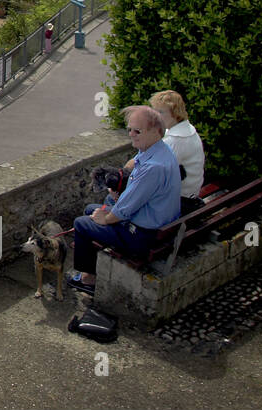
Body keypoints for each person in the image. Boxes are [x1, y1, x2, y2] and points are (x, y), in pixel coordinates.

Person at [71, 106, 180, 293]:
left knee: (81, 223)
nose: (131, 134)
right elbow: (135, 193)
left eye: (137, 131)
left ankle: (89, 279)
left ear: (155, 131)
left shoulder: (153, 167)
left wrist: (105, 218)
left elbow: (123, 211)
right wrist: (112, 204)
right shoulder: (160, 151)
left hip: (143, 236)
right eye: (129, 129)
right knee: (91, 209)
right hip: (160, 227)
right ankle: (93, 263)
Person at [128, 90, 206, 215]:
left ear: (175, 113)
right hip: (189, 194)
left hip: (181, 201)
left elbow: (146, 172)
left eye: (160, 112)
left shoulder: (176, 140)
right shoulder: (187, 129)